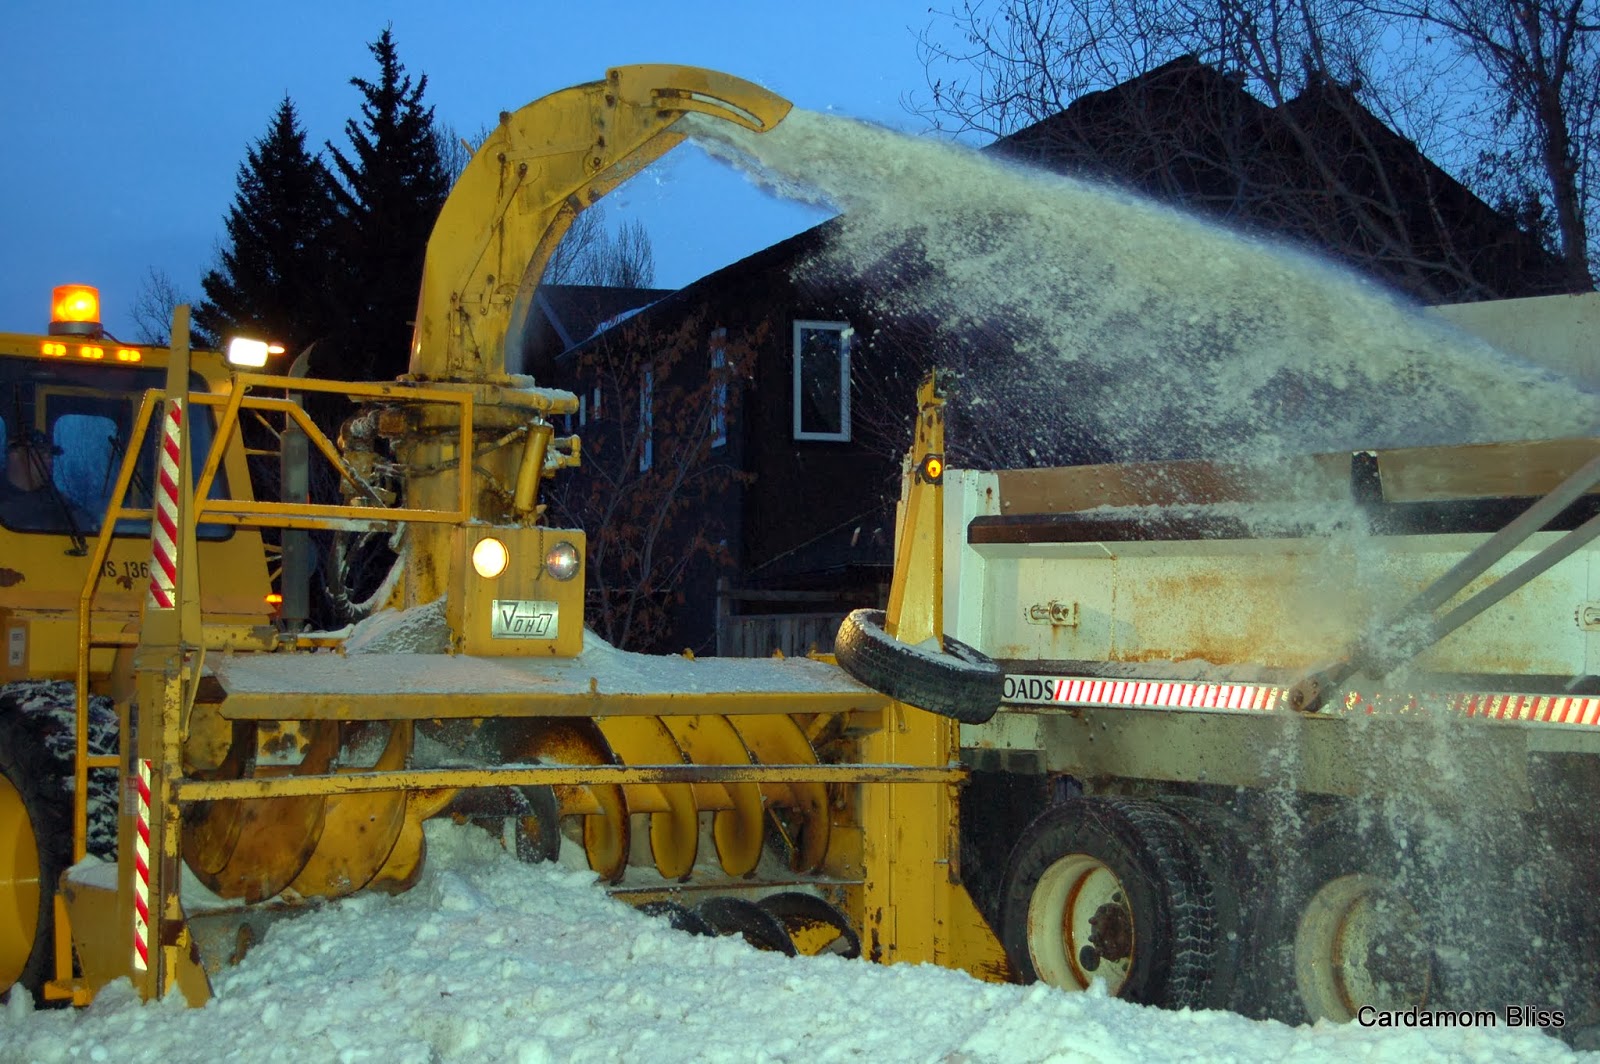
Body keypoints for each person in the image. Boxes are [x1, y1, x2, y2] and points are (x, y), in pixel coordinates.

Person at [1, 429, 87, 530]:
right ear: (15, 454)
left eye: (51, 454)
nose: (50, 460)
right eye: (42, 453)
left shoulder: (57, 501)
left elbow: (84, 525)